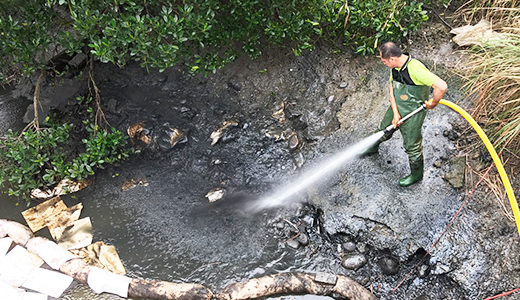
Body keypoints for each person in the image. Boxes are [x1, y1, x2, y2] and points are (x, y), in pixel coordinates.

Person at [361, 42, 448, 187]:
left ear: (392, 59)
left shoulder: (415, 69)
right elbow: (392, 89)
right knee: (383, 128)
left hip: (414, 112)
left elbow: (441, 86)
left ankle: (416, 175)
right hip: (397, 106)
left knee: (411, 145)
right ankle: (373, 147)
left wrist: (433, 103)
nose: (383, 63)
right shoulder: (395, 67)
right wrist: (395, 113)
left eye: (384, 61)